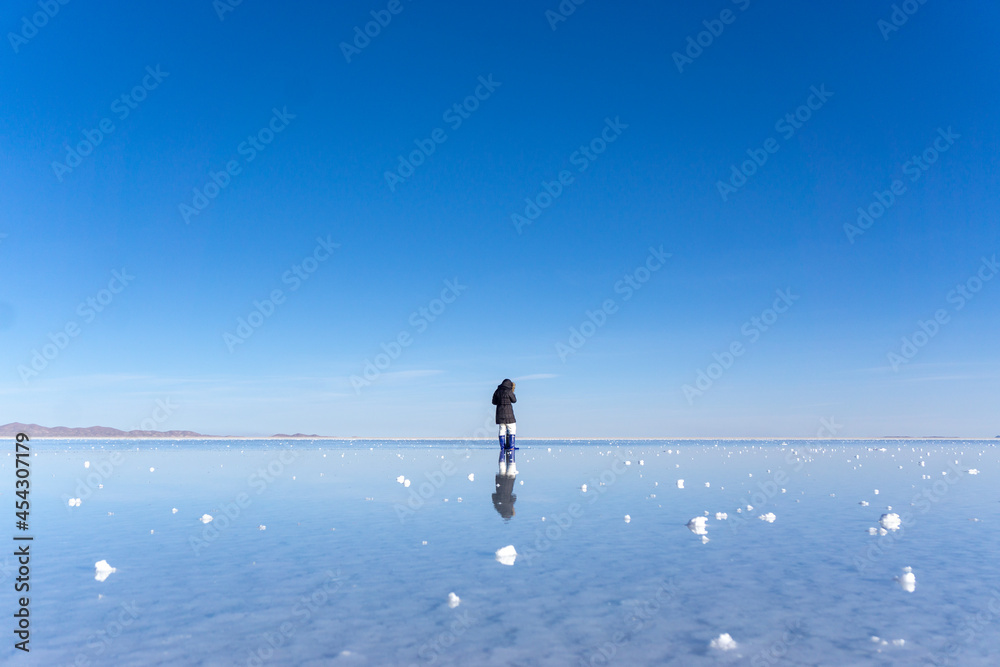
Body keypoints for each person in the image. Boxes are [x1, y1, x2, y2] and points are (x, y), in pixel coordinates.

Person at [492, 378, 517, 472]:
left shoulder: (497, 391)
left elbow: (493, 402)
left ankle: (502, 447)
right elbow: (514, 400)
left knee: (502, 428)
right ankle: (511, 446)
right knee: (512, 428)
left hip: (500, 413)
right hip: (509, 413)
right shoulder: (509, 391)